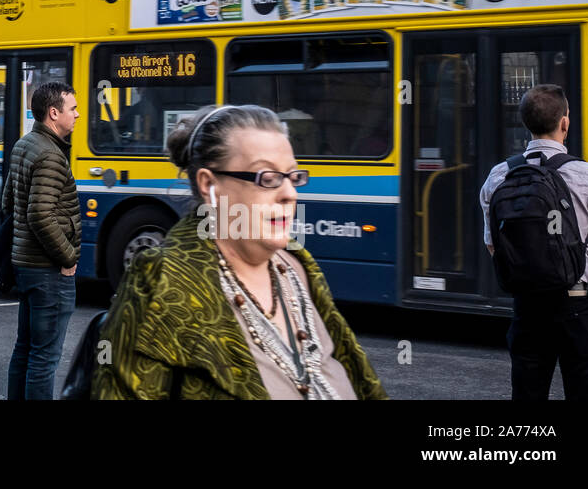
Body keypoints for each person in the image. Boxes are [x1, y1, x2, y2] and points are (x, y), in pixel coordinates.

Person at [93, 104, 387, 399]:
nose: (290, 193)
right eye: (267, 178)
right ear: (210, 185)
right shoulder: (162, 280)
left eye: (293, 176)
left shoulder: (298, 265)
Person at [479, 84, 588, 401]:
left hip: (528, 306)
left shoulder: (498, 176)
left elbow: (493, 245)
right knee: (586, 391)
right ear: (565, 123)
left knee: (528, 392)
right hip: (578, 303)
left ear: (525, 124)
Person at [3, 81, 81, 400]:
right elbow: (40, 215)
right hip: (49, 270)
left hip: (26, 265)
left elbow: (10, 203)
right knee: (44, 357)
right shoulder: (51, 155)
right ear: (53, 113)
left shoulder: (25, 144)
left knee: (25, 350)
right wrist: (67, 259)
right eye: (72, 108)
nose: (77, 115)